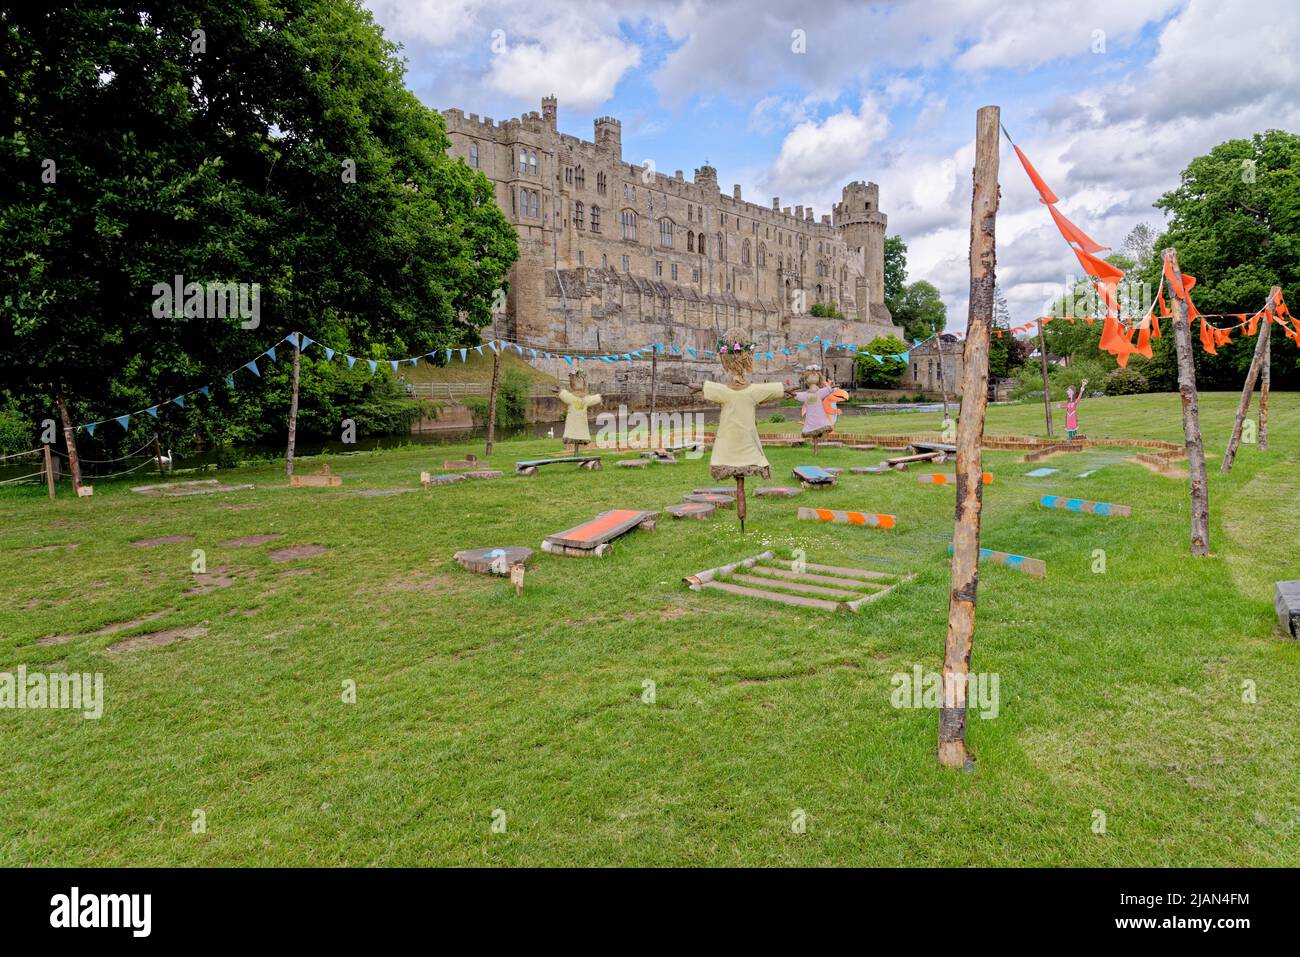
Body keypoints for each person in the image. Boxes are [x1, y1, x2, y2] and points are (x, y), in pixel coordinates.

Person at [555, 371, 602, 454]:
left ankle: (577, 451)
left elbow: (592, 399)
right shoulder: (572, 398)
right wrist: (560, 391)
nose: (578, 383)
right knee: (572, 431)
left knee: (581, 431)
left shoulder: (585, 399)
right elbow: (565, 395)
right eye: (576, 381)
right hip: (573, 420)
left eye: (580, 381)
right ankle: (575, 452)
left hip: (581, 420)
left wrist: (599, 397)